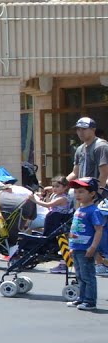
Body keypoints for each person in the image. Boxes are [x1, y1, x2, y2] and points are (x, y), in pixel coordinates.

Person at [66, 117, 108, 277]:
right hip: (82, 195)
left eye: (83, 129)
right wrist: (61, 185)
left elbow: (104, 173)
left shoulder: (100, 146)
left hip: (95, 195)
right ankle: (94, 261)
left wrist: (98, 192)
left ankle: (100, 262)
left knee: (98, 228)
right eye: (78, 129)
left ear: (93, 129)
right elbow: (75, 173)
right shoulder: (80, 149)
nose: (80, 132)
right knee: (84, 227)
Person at [66, 177, 104, 311]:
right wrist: (71, 247)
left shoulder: (94, 211)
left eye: (81, 192)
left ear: (92, 193)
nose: (77, 195)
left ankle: (90, 301)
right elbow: (74, 230)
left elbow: (99, 230)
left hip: (86, 248)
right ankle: (81, 298)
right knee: (80, 275)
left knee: (88, 275)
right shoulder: (79, 210)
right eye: (75, 192)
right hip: (76, 247)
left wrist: (93, 247)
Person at [31, 178, 73, 273]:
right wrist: (49, 194)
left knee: (56, 239)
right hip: (52, 218)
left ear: (65, 187)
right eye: (53, 186)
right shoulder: (56, 195)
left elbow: (47, 205)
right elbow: (50, 205)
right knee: (48, 237)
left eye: (57, 186)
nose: (54, 188)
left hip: (57, 220)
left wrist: (34, 200)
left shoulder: (63, 198)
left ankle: (62, 262)